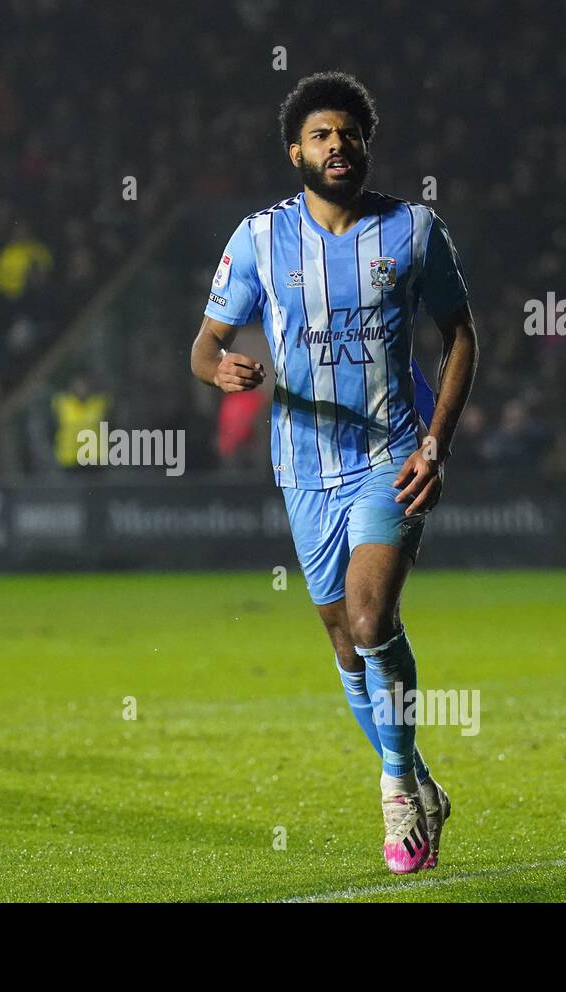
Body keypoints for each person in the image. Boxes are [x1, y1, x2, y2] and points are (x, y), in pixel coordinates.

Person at [189, 72, 478, 873]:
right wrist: (220, 371)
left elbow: (462, 336)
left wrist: (437, 444)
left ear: (366, 147)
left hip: (392, 458)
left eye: (349, 133)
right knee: (344, 646)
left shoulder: (414, 230)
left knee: (368, 618)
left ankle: (393, 788)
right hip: (303, 469)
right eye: (321, 134)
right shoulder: (259, 238)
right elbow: (205, 345)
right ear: (296, 152)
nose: (337, 145)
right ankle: (421, 779)